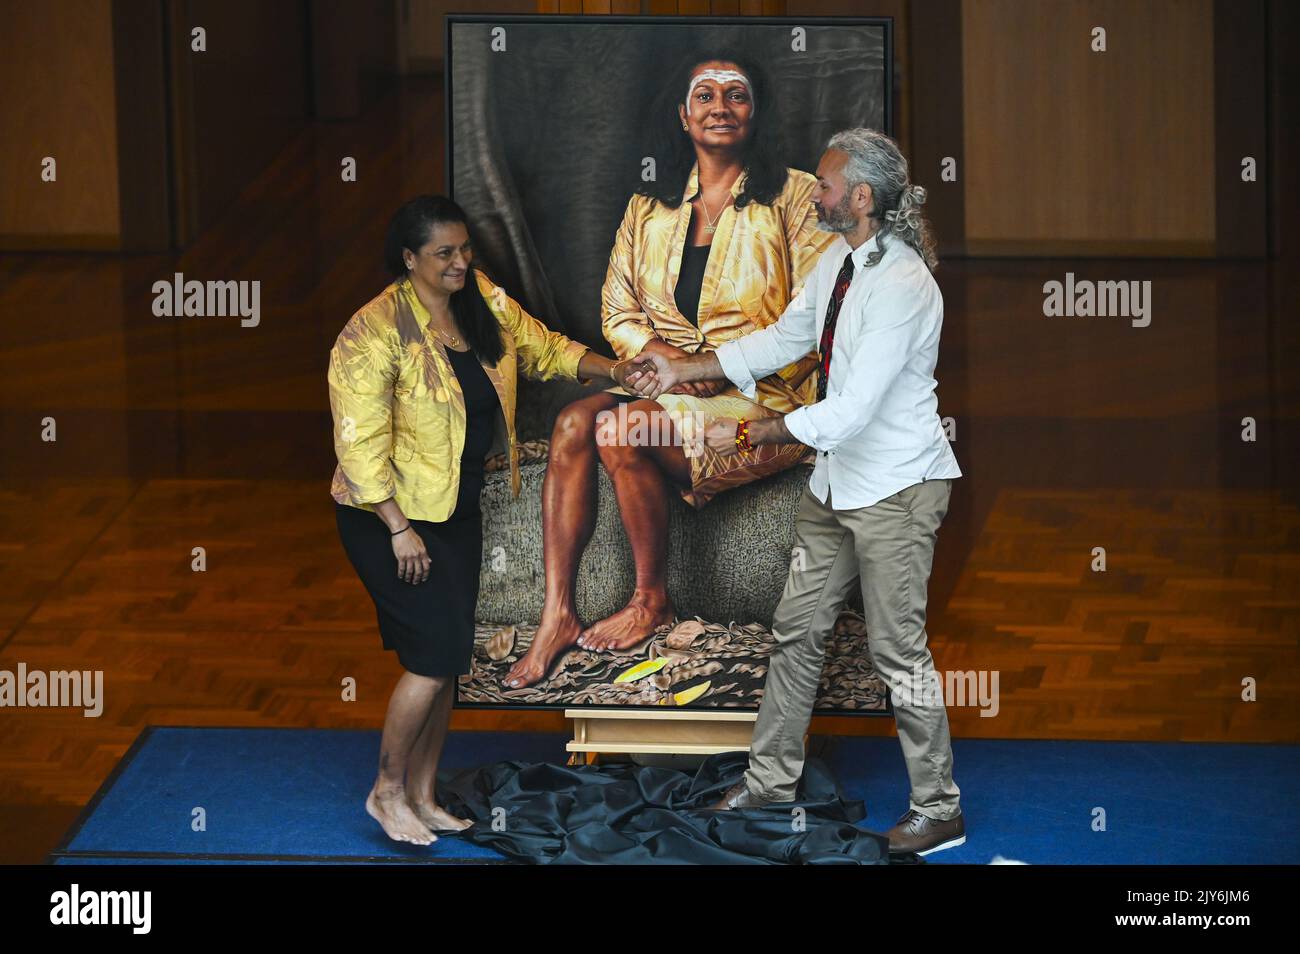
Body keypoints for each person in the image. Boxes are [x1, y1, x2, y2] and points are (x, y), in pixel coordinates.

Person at [627, 129, 966, 857]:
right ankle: (770, 783)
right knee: (796, 633)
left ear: (863, 198)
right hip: (838, 483)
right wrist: (682, 371)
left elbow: (849, 411)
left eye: (826, 185)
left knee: (899, 652)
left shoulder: (903, 285)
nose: (814, 194)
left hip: (899, 490)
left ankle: (939, 808)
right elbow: (784, 339)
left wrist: (747, 436)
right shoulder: (840, 264)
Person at [503, 50, 838, 689]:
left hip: (762, 399)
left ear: (755, 110)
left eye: (735, 94)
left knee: (621, 431)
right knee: (576, 422)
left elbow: (812, 318)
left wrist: (720, 367)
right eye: (704, 95)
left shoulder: (794, 197)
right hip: (668, 384)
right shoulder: (649, 205)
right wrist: (674, 366)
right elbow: (617, 307)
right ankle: (557, 613)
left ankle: (651, 599)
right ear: (683, 116)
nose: (719, 105)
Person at [329, 195, 648, 846]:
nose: (460, 262)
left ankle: (422, 791)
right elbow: (357, 447)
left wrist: (613, 369)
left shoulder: (482, 302)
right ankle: (385, 791)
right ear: (409, 258)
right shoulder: (372, 331)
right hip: (388, 519)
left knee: (448, 661)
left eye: (464, 249)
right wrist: (397, 527)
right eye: (444, 253)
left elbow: (545, 349)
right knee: (430, 658)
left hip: (455, 510)